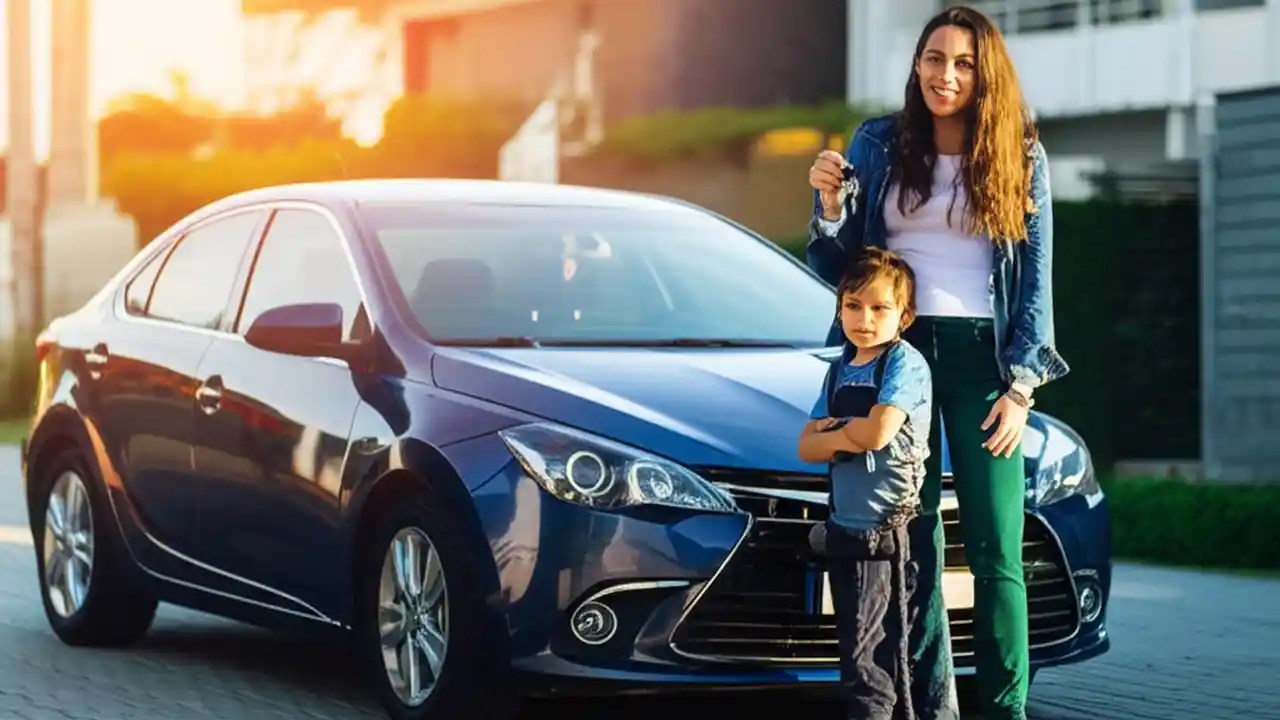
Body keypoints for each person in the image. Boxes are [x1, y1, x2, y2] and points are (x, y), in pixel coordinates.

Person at [804, 6, 1069, 720]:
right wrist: (829, 206)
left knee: (996, 548)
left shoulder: (1021, 154)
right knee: (909, 537)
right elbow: (840, 267)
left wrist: (1022, 386)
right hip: (899, 358)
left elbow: (1035, 278)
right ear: (916, 64)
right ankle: (930, 706)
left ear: (986, 75)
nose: (944, 75)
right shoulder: (877, 143)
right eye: (933, 58)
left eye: (962, 63)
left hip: (985, 363)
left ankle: (1005, 709)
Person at [797, 247, 932, 720]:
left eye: (880, 308)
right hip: (844, 528)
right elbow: (805, 446)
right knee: (856, 645)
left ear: (904, 316)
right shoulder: (839, 368)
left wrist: (836, 432)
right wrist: (851, 433)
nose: (865, 319)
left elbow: (879, 434)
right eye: (853, 306)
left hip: (887, 532)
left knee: (879, 652)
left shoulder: (903, 365)